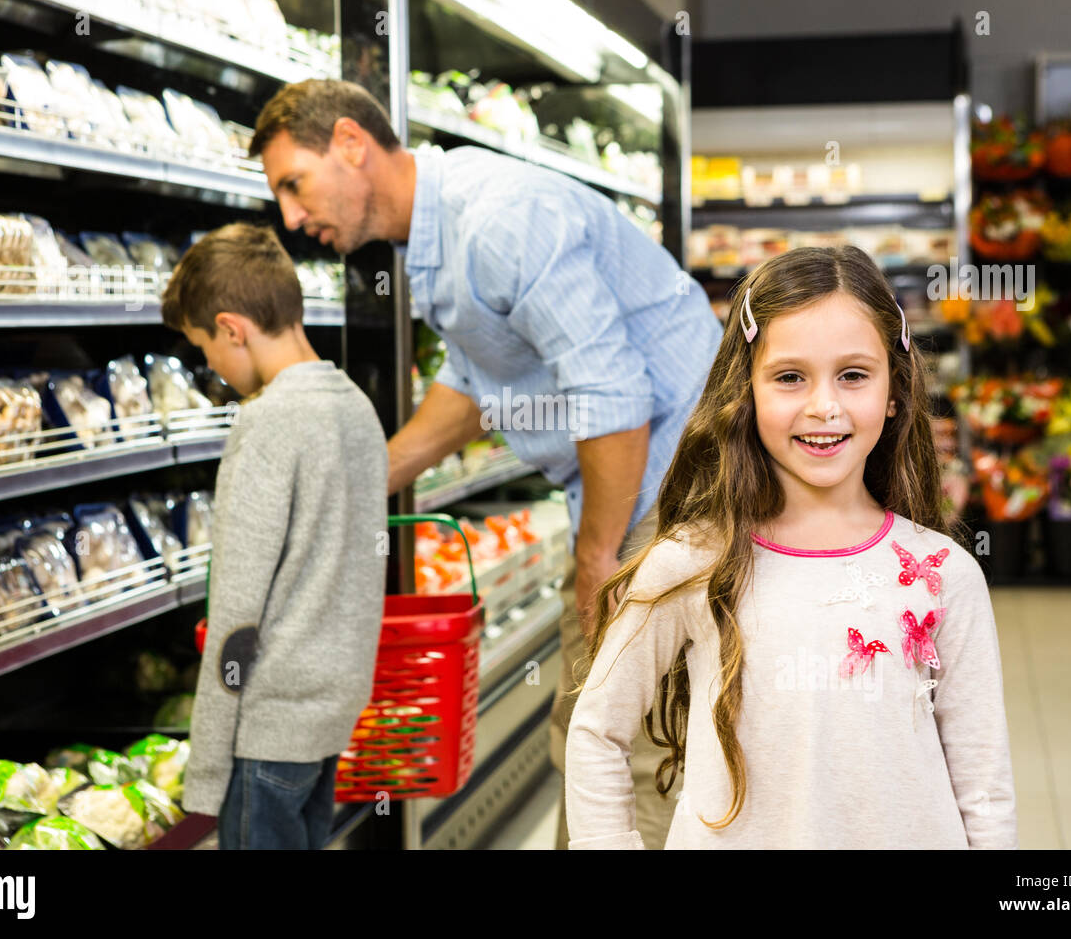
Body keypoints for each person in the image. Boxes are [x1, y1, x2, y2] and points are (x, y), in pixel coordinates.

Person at [247, 79, 722, 848]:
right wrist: (356, 488)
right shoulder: (437, 241)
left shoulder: (497, 221)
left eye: (293, 187)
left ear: (350, 143)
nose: (293, 219)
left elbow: (612, 395)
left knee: (630, 739)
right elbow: (471, 388)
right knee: (593, 732)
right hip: (645, 474)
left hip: (677, 480)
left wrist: (598, 555)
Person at [565, 246, 1019, 849]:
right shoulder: (693, 561)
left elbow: (982, 786)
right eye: (789, 377)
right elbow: (598, 731)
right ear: (745, 391)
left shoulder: (943, 574)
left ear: (894, 390)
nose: (823, 406)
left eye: (853, 375)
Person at [167, 222, 389, 849]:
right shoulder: (357, 407)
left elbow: (237, 620)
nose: (210, 365)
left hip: (265, 731)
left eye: (205, 347)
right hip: (328, 717)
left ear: (233, 327)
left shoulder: (266, 423)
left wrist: (206, 772)